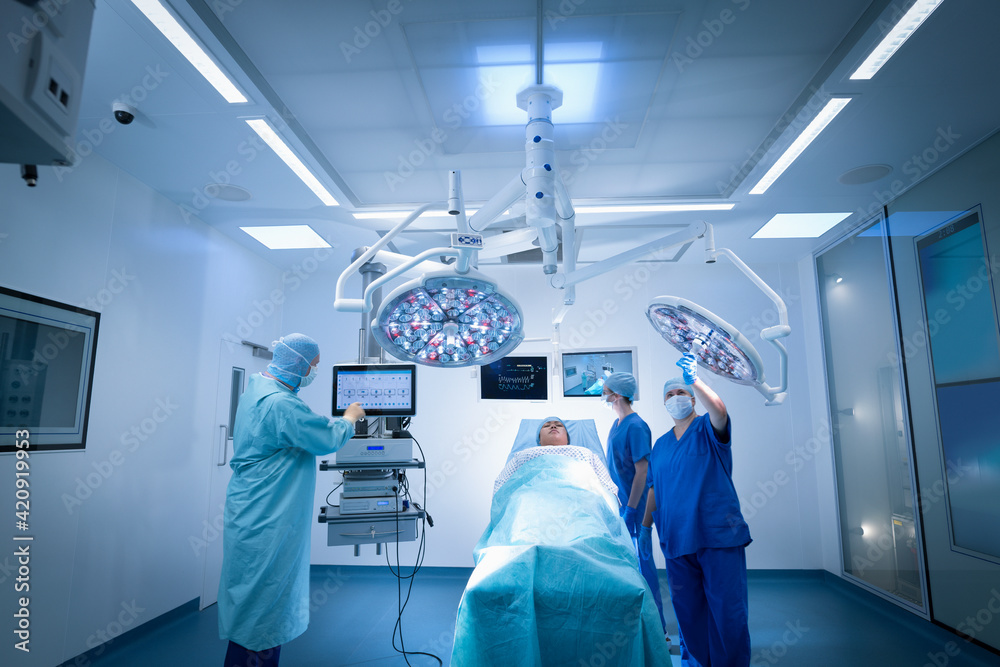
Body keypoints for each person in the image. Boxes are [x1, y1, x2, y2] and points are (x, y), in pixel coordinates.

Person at [218, 334, 365, 667]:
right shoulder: (282, 404)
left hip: (250, 507)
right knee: (264, 608)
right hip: (269, 517)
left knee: (250, 600)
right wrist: (350, 418)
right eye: (314, 366)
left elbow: (296, 428)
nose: (315, 371)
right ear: (299, 364)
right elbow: (325, 437)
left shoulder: (258, 388)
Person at [639, 352, 752, 667]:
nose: (676, 398)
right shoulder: (660, 445)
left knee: (727, 613)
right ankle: (697, 663)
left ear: (693, 399)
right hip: (676, 541)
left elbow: (720, 410)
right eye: (670, 395)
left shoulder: (708, 429)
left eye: (682, 393)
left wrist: (696, 380)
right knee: (688, 613)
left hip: (716, 536)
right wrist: (644, 528)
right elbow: (654, 489)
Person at [601, 373, 667, 636]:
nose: (602, 395)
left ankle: (657, 628)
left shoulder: (636, 426)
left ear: (617, 395)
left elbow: (642, 472)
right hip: (621, 505)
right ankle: (634, 622)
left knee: (644, 564)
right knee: (628, 565)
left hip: (637, 508)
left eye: (605, 391)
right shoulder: (617, 424)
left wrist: (631, 509)